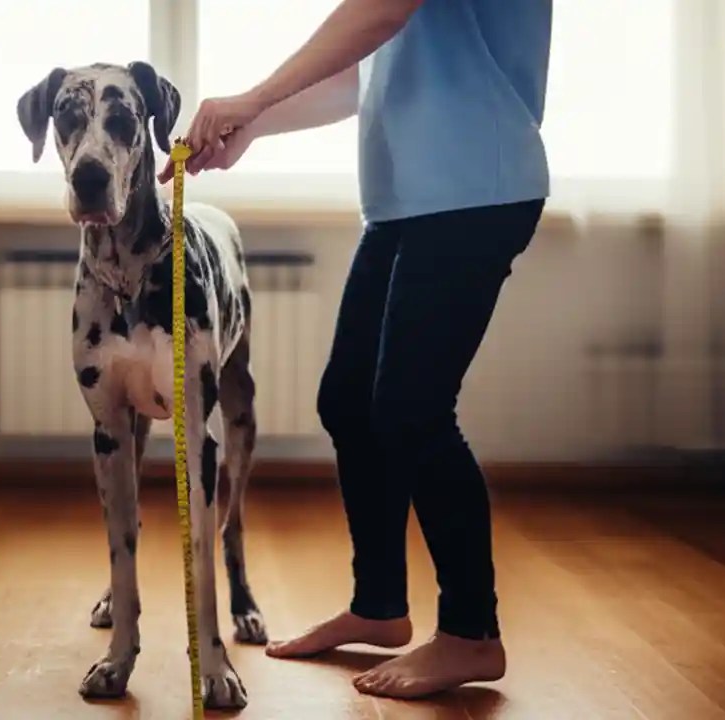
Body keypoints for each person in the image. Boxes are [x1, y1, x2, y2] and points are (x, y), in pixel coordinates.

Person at [159, 0, 552, 700]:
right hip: (410, 202)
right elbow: (359, 74)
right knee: (349, 401)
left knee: (414, 411)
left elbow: (380, 12)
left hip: (475, 188)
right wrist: (252, 123)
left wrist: (250, 98)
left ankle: (471, 633)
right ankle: (379, 606)